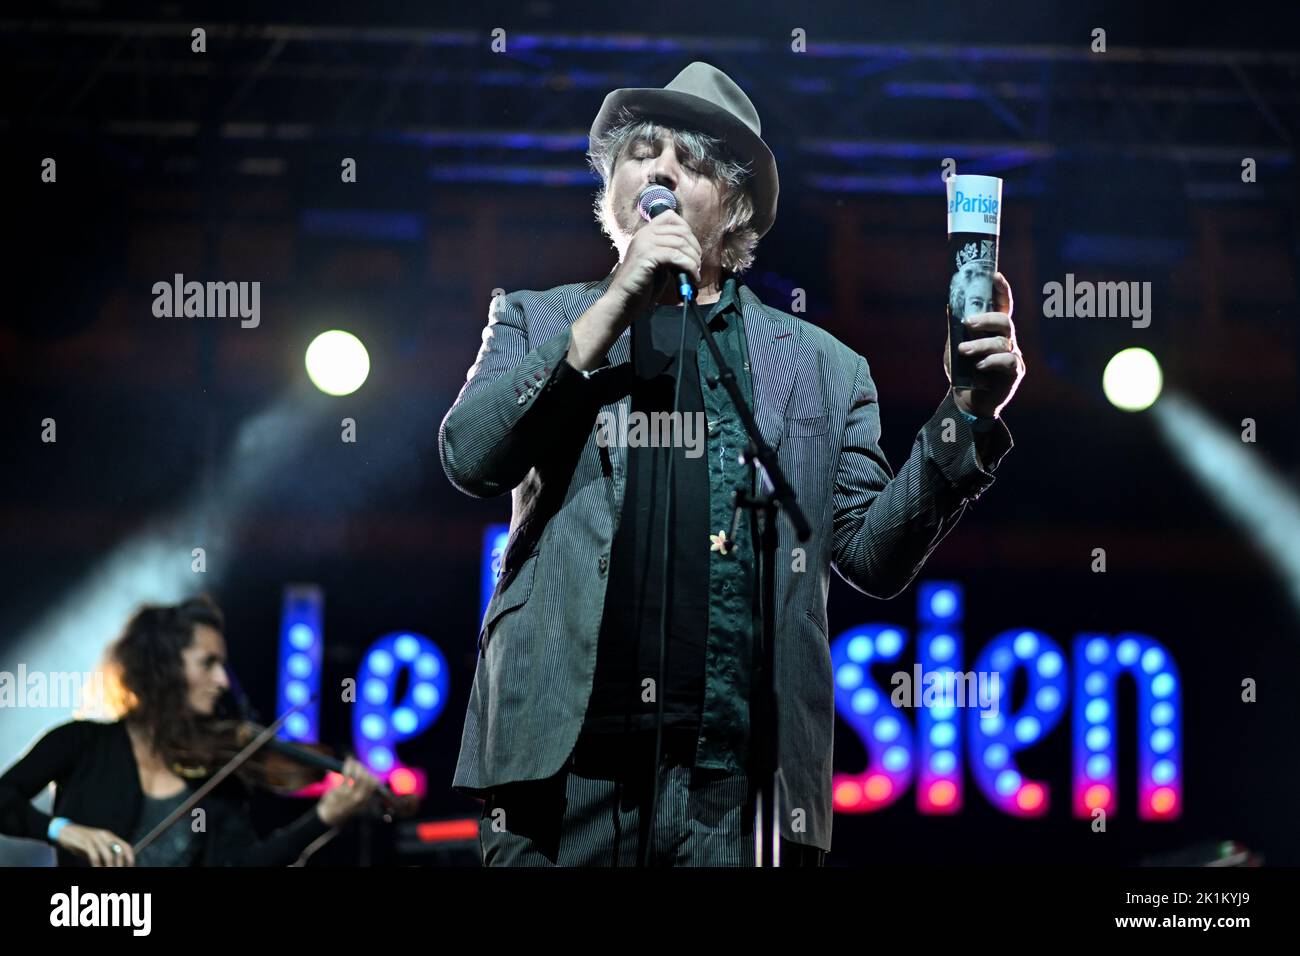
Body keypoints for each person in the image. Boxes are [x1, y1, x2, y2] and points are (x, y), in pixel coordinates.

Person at [439, 62, 1026, 866]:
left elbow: (870, 557)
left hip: (739, 790)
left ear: (736, 208)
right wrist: (615, 307)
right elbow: (471, 457)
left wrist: (968, 412)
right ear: (614, 187)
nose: (663, 170)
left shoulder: (825, 368)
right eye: (643, 153)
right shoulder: (538, 318)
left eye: (694, 160)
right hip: (558, 777)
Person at [0, 595, 380, 866]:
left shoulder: (215, 773)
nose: (222, 680)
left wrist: (324, 817)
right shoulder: (82, 743)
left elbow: (245, 864)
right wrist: (61, 829)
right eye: (208, 663)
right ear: (163, 666)